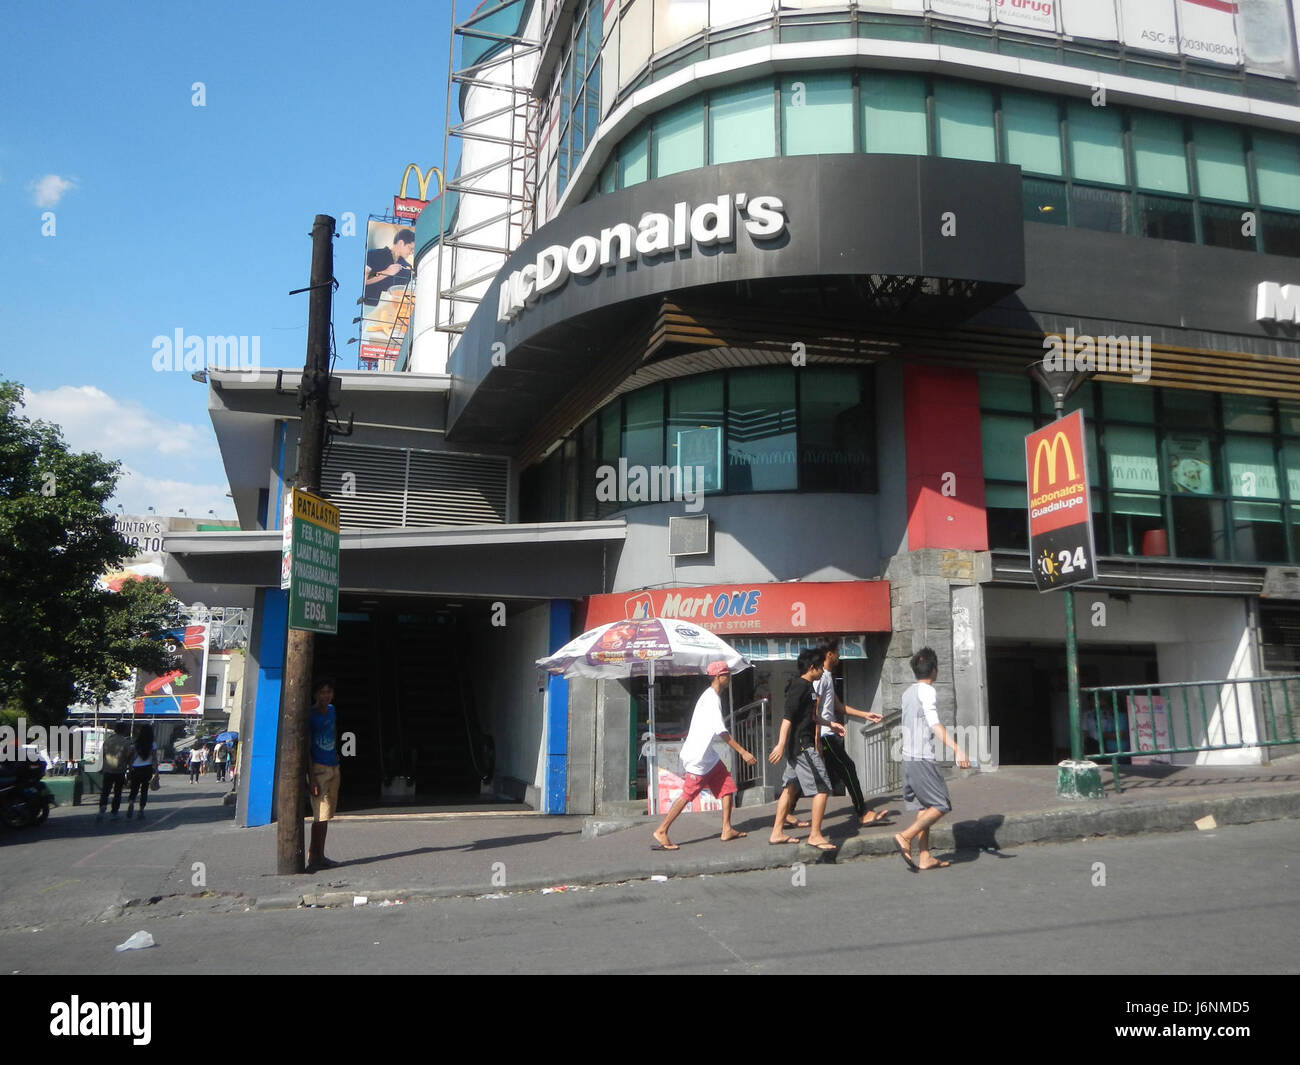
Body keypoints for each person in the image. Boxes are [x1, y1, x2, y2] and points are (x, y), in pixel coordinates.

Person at [652, 662, 757, 851]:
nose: (729, 678)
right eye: (727, 675)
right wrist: (743, 752)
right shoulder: (711, 699)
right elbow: (721, 732)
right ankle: (662, 829)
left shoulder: (711, 697)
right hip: (698, 757)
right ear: (718, 677)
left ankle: (726, 828)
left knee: (727, 787)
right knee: (688, 794)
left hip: (709, 755)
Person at [893, 647, 970, 872]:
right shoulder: (927, 691)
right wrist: (958, 750)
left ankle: (925, 856)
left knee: (924, 806)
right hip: (922, 757)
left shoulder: (908, 693)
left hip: (908, 756)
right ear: (934, 670)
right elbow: (934, 725)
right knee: (941, 804)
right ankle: (905, 836)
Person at [768, 648, 837, 851]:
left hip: (797, 746)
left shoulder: (809, 687)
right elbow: (787, 717)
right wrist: (780, 744)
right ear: (812, 668)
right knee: (823, 787)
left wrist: (831, 724)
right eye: (820, 667)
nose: (823, 671)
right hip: (802, 746)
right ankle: (815, 835)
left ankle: (776, 833)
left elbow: (811, 717)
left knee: (789, 788)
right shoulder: (800, 686)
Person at [814, 640, 888, 825]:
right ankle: (862, 812)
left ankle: (786, 814)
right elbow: (813, 711)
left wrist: (866, 715)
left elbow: (838, 706)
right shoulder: (821, 678)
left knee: (807, 776)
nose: (839, 655)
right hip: (825, 735)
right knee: (848, 768)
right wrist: (816, 741)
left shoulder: (828, 677)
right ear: (829, 654)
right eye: (837, 651)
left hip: (827, 734)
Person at [305, 679, 341, 872]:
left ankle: (320, 854)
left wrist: (336, 753)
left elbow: (333, 731)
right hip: (318, 767)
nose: (326, 696)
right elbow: (307, 746)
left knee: (326, 816)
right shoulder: (310, 715)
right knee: (319, 815)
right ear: (315, 695)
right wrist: (310, 777)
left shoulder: (333, 710)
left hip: (333, 765)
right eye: (322, 692)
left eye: (329, 692)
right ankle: (313, 855)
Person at [362, 228, 415, 305]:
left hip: (394, 312)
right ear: (400, 243)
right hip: (369, 309)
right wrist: (386, 272)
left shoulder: (407, 268)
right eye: (410, 248)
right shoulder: (374, 254)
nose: (411, 252)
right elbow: (364, 279)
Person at [97, 721, 133, 822]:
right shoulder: (126, 742)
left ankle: (102, 808)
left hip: (107, 770)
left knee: (105, 791)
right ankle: (114, 812)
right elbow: (128, 756)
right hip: (119, 771)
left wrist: (100, 768)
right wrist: (129, 770)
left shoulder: (107, 741)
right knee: (117, 792)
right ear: (124, 730)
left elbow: (102, 755)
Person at [126, 724, 158, 821]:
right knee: (144, 790)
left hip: (136, 768)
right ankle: (141, 810)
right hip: (147, 768)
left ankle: (131, 803)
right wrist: (156, 771)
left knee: (134, 788)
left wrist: (129, 767)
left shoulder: (135, 743)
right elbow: (154, 758)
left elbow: (129, 756)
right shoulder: (152, 744)